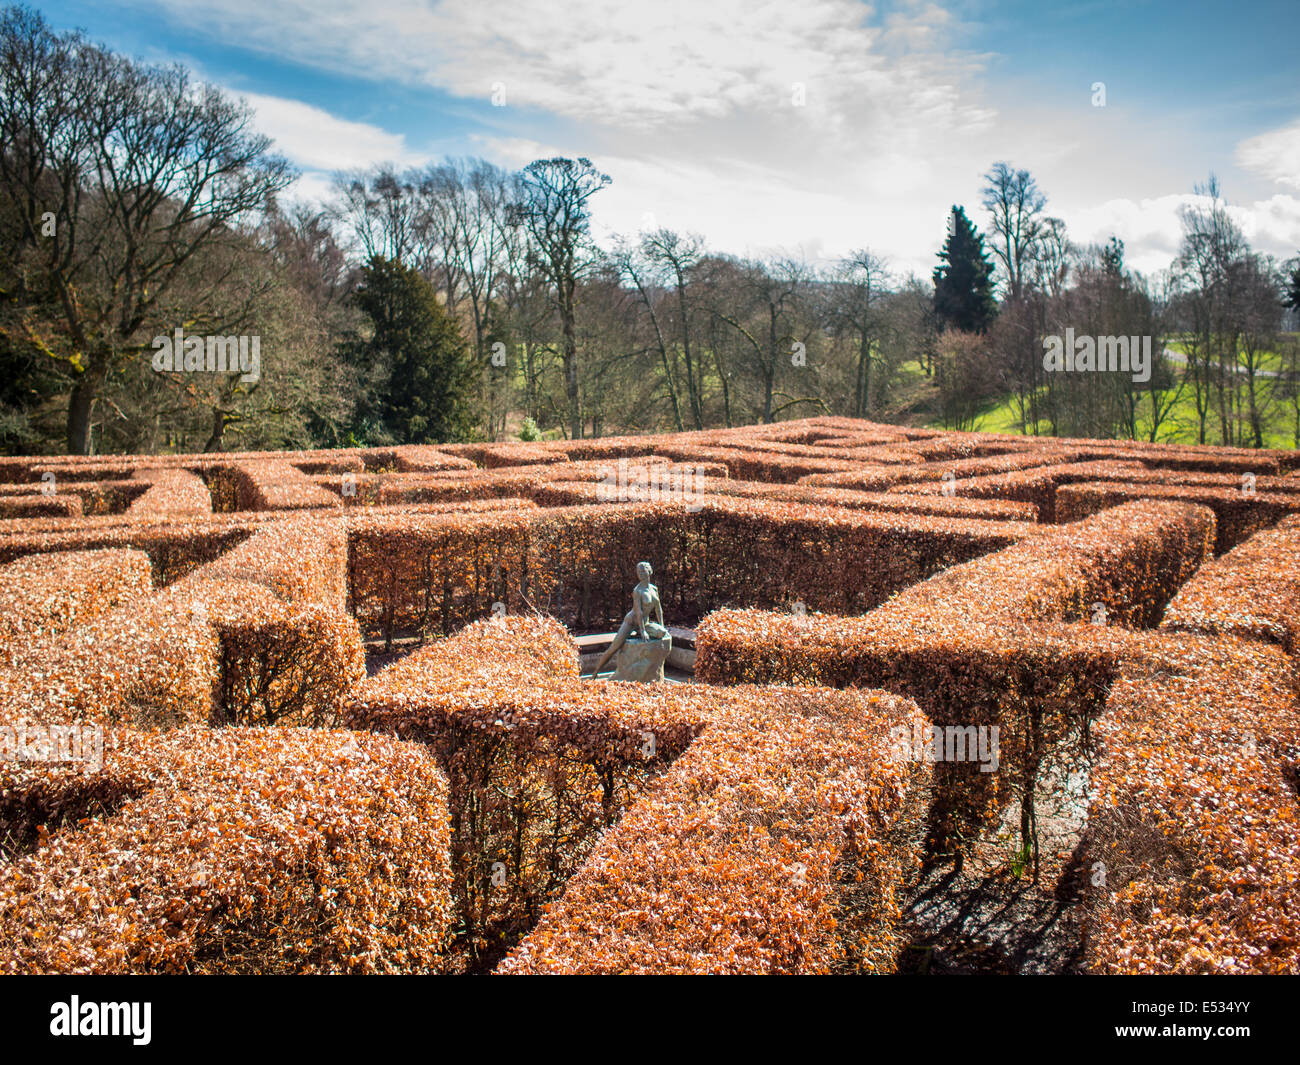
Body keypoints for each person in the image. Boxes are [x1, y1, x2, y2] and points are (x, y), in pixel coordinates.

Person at [593, 561, 668, 676]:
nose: (641, 574)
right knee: (614, 647)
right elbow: (638, 612)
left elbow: (658, 609)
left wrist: (662, 626)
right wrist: (642, 631)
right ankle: (596, 671)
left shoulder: (654, 589)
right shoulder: (637, 591)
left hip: (644, 622)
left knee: (661, 633)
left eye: (643, 571)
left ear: (649, 571)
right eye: (639, 572)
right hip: (632, 622)